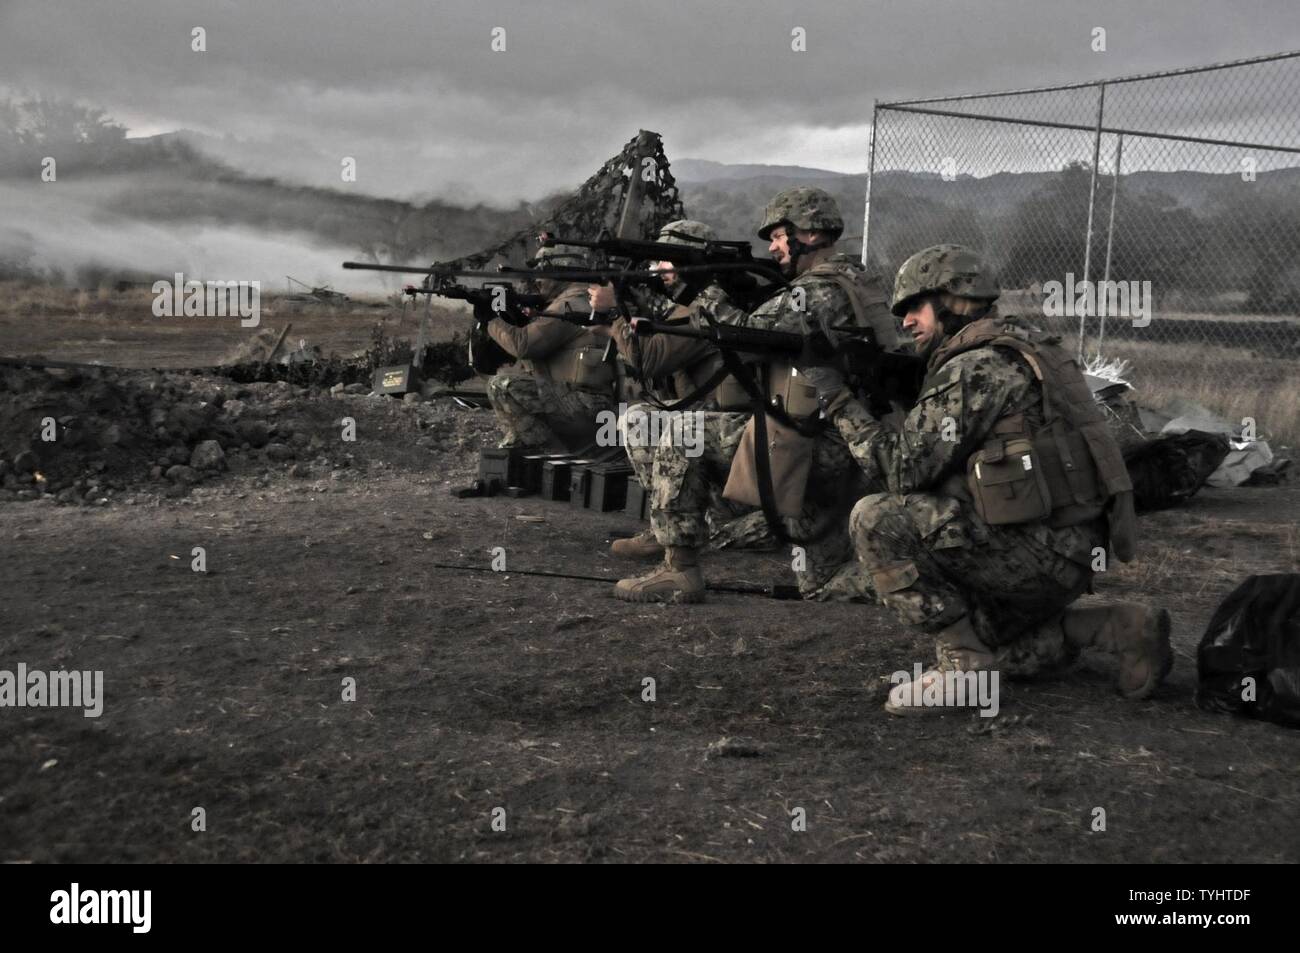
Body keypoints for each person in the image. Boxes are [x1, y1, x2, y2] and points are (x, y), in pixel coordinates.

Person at [818, 244, 1171, 714]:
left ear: (952, 300)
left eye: (915, 308)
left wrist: (838, 402)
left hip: (1034, 552)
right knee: (1009, 652)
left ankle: (964, 669)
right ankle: (1118, 626)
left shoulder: (974, 367)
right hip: (1068, 550)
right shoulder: (1023, 344)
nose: (905, 322)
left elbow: (902, 469)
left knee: (876, 518)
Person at [614, 187, 899, 603]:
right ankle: (924, 579)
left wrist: (704, 288)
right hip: (847, 440)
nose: (773, 246)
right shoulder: (852, 280)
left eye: (780, 236)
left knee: (683, 433)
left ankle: (681, 570)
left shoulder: (820, 290)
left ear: (811, 233)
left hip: (823, 444)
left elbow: (745, 336)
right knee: (820, 585)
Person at [585, 219, 761, 561]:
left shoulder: (711, 303)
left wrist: (615, 312)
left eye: (664, 261)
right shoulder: (698, 301)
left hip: (734, 423)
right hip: (719, 417)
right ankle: (677, 524)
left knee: (640, 420)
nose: (658, 270)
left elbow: (648, 359)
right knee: (644, 417)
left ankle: (674, 530)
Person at [482, 243, 617, 451]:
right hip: (592, 406)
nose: (537, 280)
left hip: (585, 407)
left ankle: (553, 455)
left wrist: (490, 319)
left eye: (543, 273)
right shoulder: (586, 297)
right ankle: (533, 446)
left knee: (501, 385)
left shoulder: (570, 303)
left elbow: (523, 345)